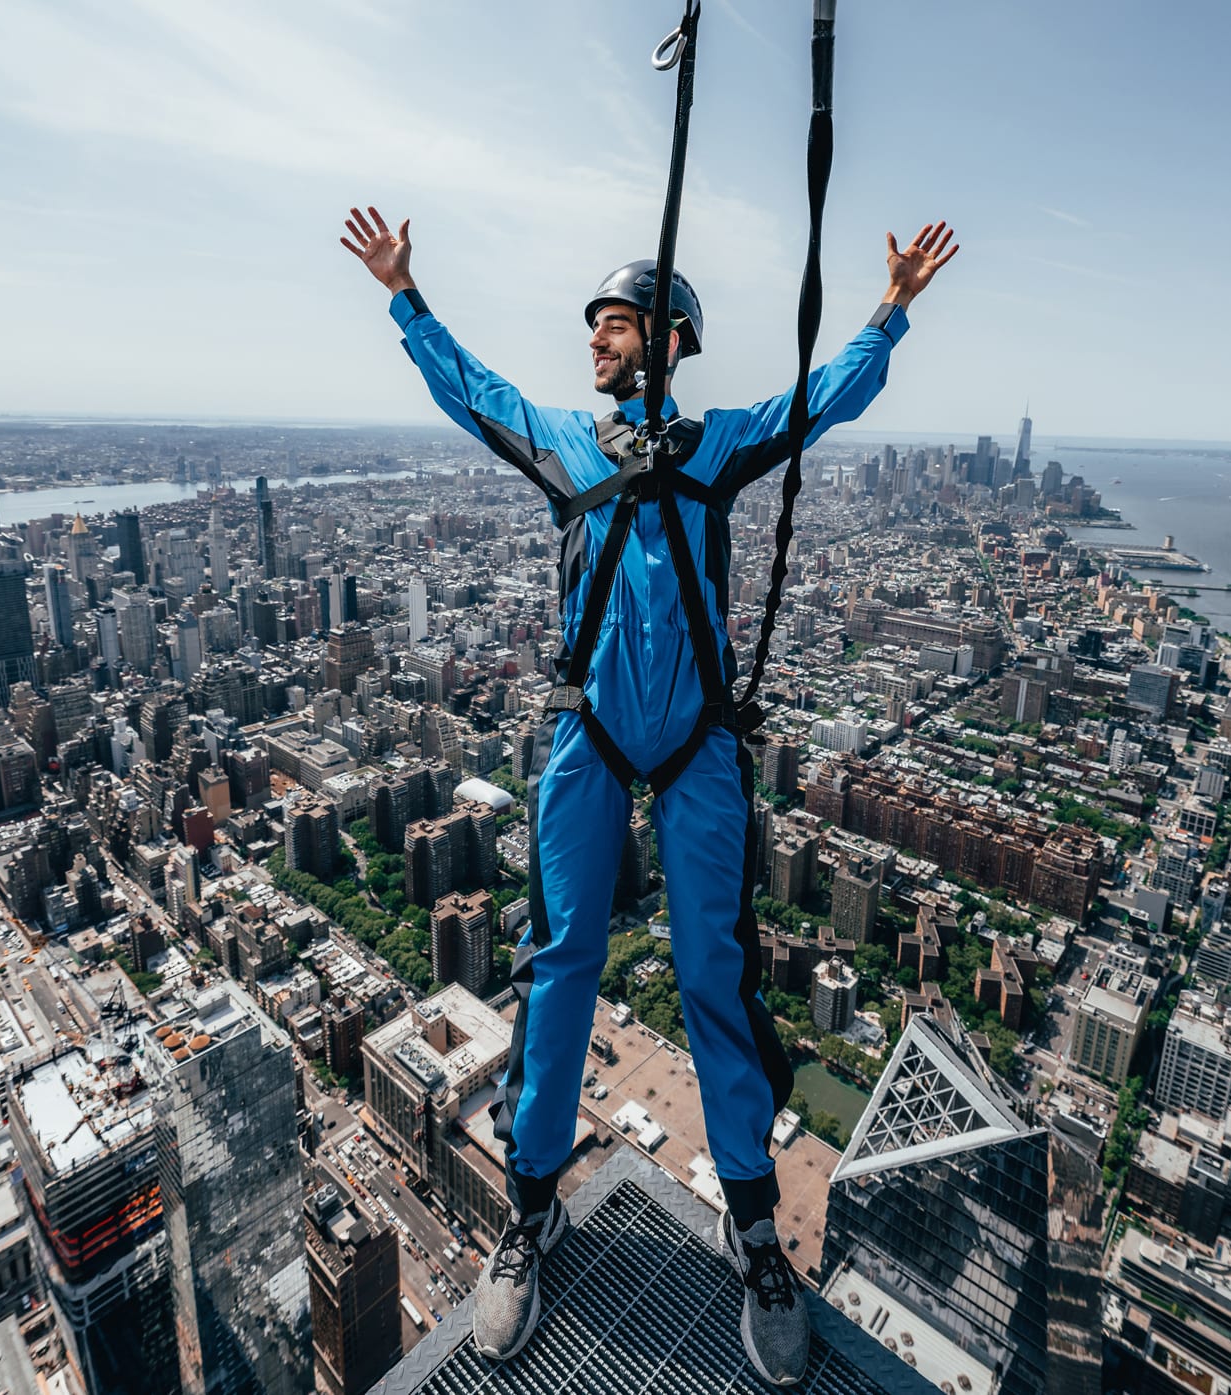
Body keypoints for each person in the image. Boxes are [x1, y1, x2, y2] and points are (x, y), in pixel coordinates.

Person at [338, 205, 957, 1386]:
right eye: (595, 329)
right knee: (560, 963)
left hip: (698, 748)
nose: (595, 344)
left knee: (712, 974)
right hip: (589, 737)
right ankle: (531, 1213)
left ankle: (753, 1229)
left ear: (668, 339)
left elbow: (815, 402)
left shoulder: (715, 450)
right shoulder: (573, 448)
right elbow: (475, 394)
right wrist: (404, 299)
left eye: (614, 326)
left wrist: (888, 311)